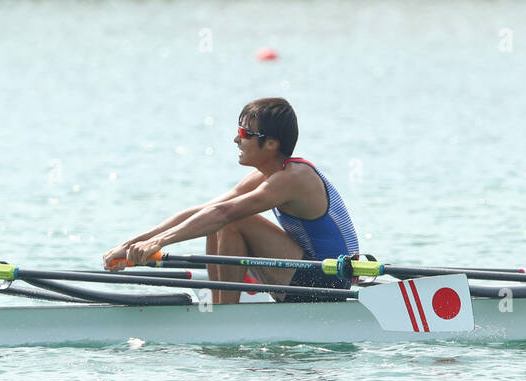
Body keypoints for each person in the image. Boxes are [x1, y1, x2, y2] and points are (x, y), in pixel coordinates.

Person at [103, 97, 358, 304]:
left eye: (244, 133)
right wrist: (132, 244)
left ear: (270, 144)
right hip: (309, 274)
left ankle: (224, 316)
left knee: (232, 220)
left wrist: (157, 243)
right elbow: (207, 210)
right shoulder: (265, 175)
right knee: (215, 218)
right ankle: (220, 307)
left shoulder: (294, 177)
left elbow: (223, 215)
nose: (236, 139)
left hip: (330, 284)